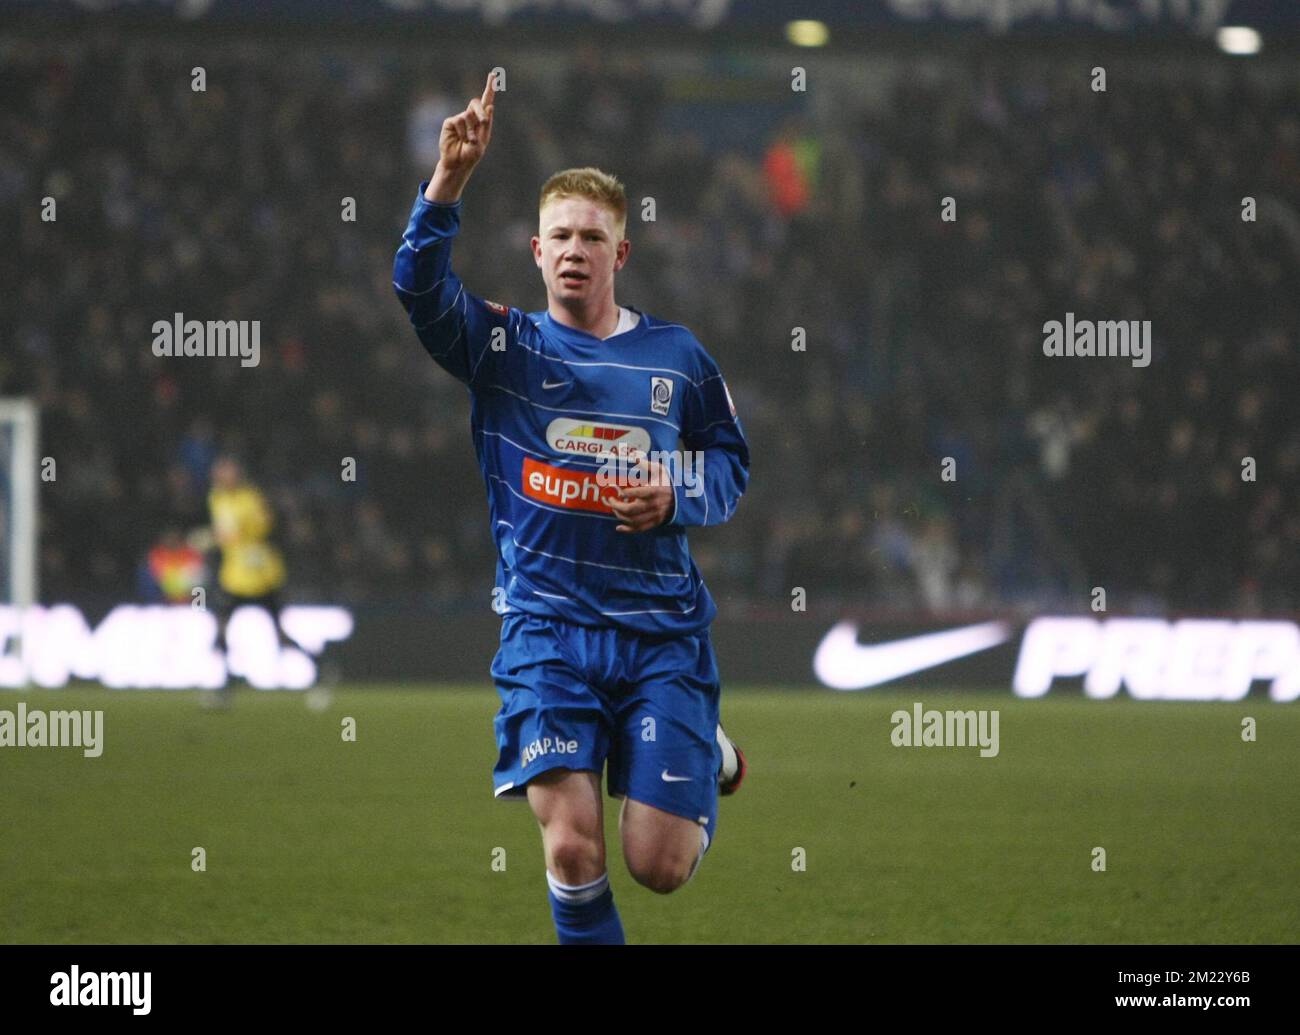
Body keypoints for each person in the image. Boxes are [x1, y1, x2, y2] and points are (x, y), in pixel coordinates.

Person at [394, 73, 749, 944]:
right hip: (546, 631)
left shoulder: (678, 358)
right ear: (535, 250)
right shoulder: (503, 347)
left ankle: (700, 743)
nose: (575, 249)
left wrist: (678, 493)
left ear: (620, 254)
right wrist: (447, 182)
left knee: (657, 866)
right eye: (560, 235)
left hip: (659, 631)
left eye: (593, 235)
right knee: (573, 844)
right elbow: (417, 290)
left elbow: (732, 463)